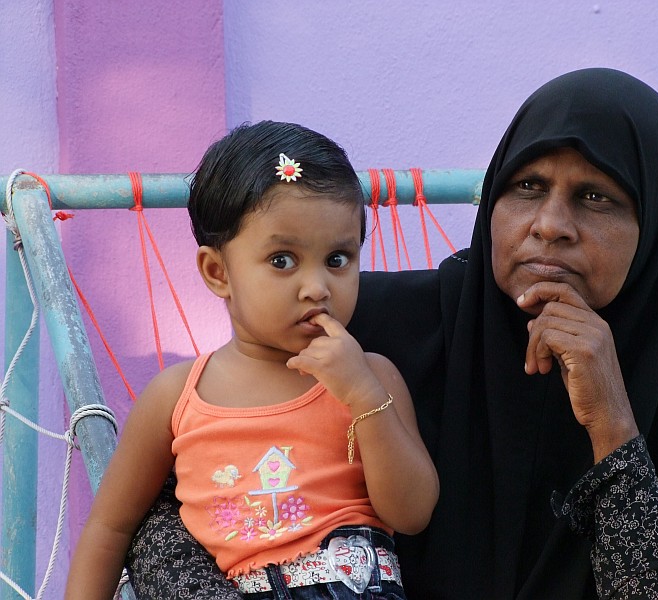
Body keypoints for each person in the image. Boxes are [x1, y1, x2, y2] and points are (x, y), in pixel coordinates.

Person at [125, 69, 658, 599]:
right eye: (528, 186)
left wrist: (614, 429)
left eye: (598, 197)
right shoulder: (369, 336)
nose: (551, 224)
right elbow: (167, 516)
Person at [65, 121, 439, 600]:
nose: (317, 286)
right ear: (217, 272)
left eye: (338, 259)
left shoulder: (374, 376)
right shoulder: (177, 397)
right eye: (282, 260)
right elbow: (110, 528)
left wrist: (363, 395)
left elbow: (411, 514)